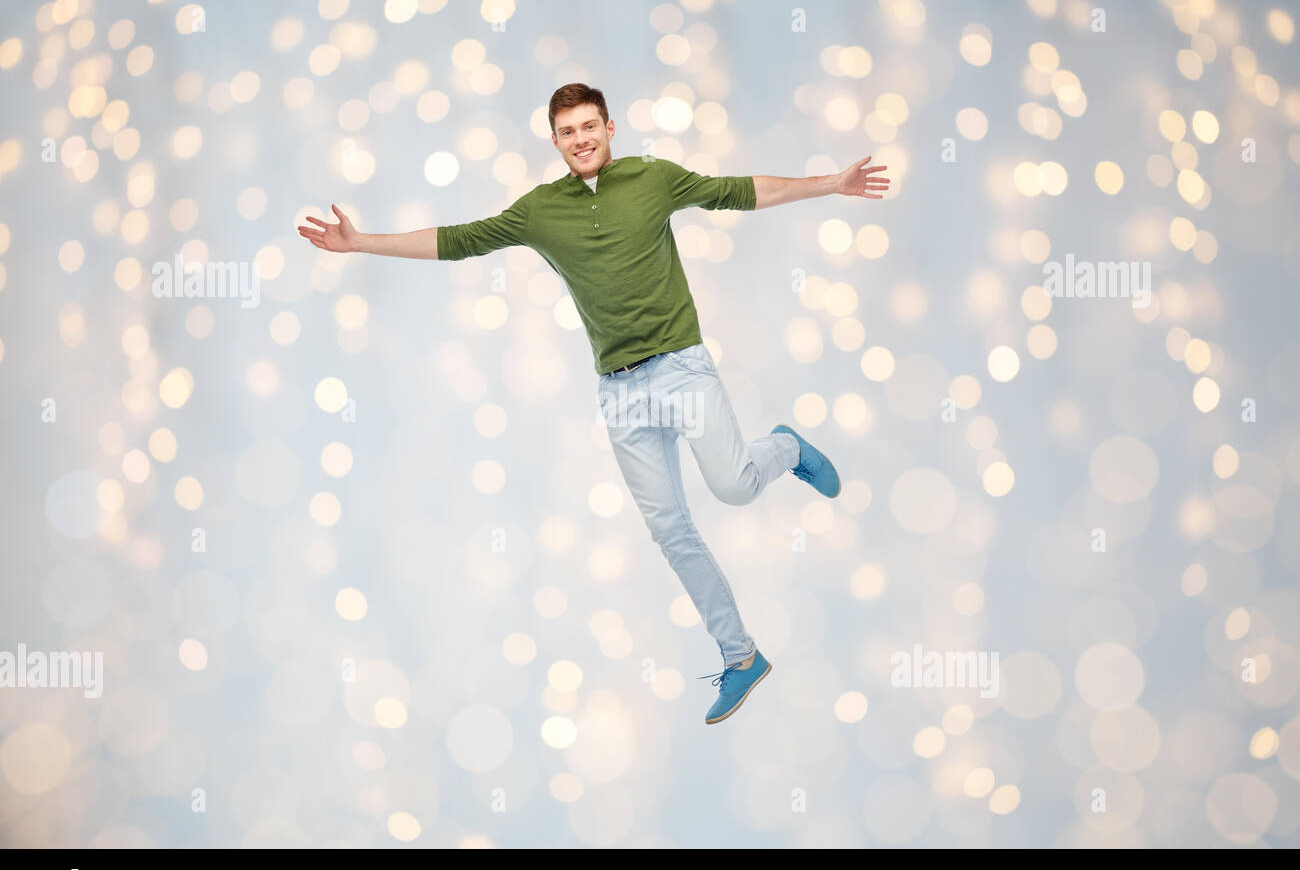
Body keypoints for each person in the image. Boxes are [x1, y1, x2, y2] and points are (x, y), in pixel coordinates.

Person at [298, 83, 890, 724]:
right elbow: (461, 239)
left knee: (736, 487)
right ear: (555, 142)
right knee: (670, 530)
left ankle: (788, 448)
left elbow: (741, 191)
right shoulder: (538, 211)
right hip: (620, 390)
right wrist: (363, 243)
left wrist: (833, 182)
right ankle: (742, 657)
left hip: (680, 368)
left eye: (589, 127)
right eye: (567, 132)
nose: (580, 140)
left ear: (610, 128)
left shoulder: (652, 178)